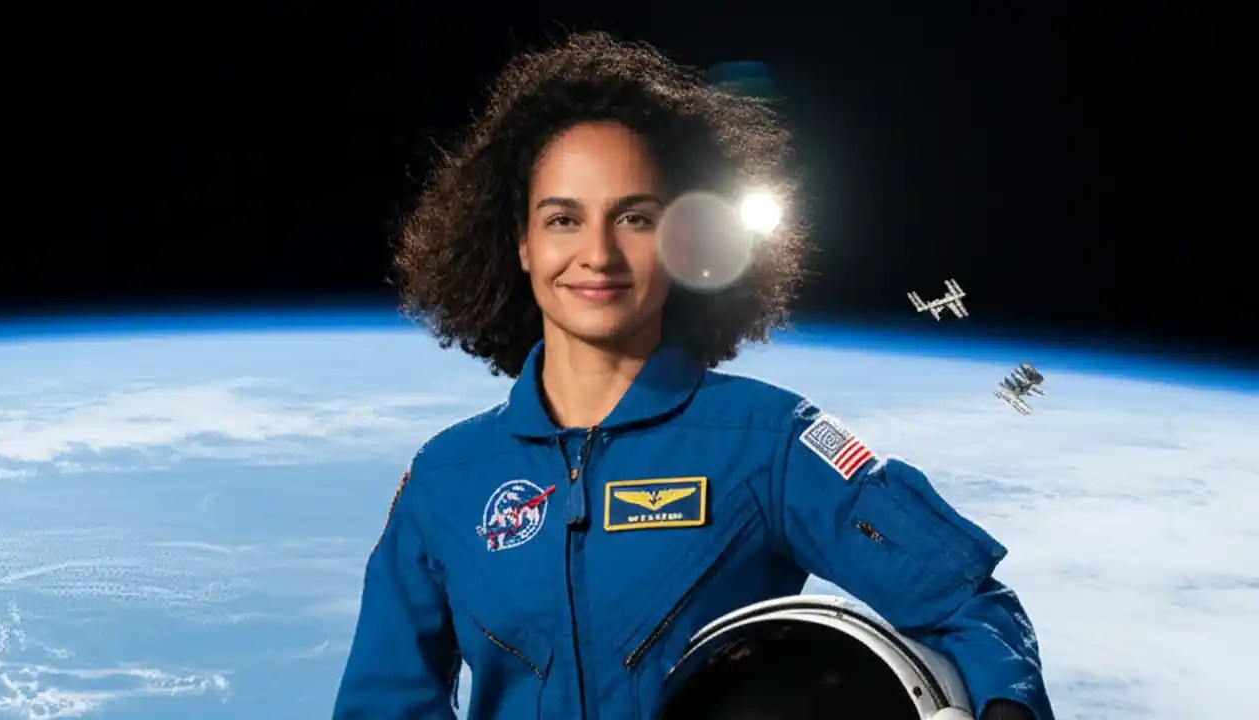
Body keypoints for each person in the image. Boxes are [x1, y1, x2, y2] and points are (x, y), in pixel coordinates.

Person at [332, 31, 1054, 720]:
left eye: (635, 219)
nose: (598, 254)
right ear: (518, 242)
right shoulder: (446, 480)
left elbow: (970, 608)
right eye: (562, 220)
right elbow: (384, 702)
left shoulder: (770, 446)